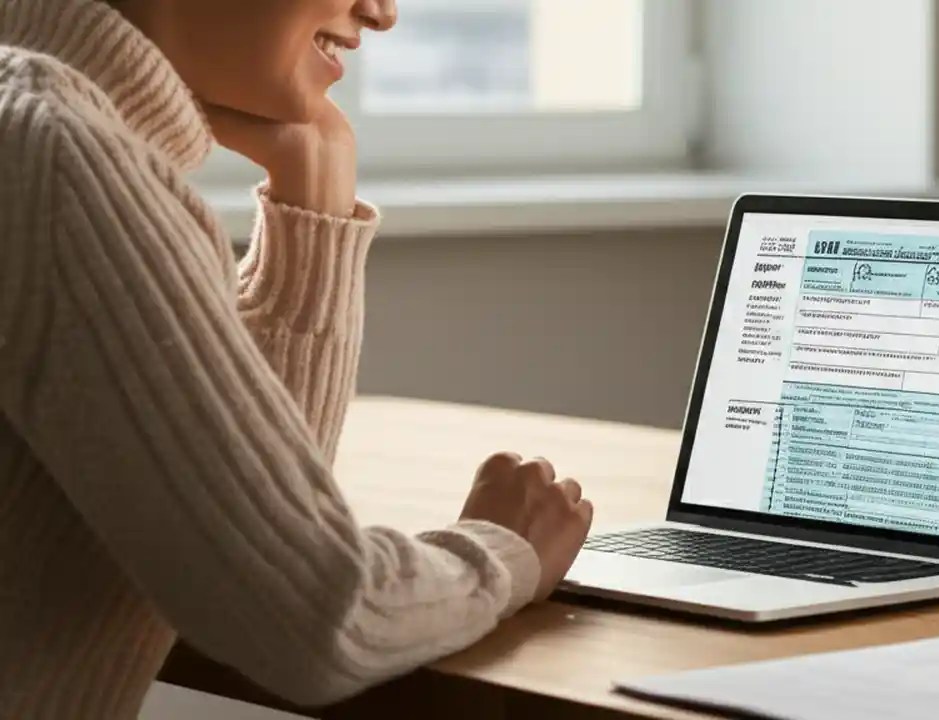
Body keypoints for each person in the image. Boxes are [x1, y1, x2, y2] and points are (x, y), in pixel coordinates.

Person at [0, 0, 594, 716]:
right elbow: (312, 619)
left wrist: (311, 186)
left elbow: (245, 540)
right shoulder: (58, 158)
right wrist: (502, 552)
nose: (380, 13)